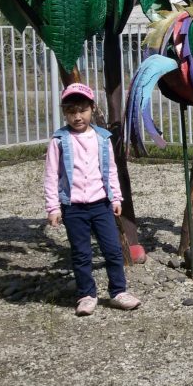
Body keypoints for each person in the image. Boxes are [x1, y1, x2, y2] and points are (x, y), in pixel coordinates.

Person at [44, 83, 141, 316]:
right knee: (81, 253)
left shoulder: (101, 138)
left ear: (92, 109)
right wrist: (53, 207)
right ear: (65, 113)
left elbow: (110, 170)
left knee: (113, 249)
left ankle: (118, 291)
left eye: (83, 110)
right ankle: (86, 295)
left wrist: (116, 198)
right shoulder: (59, 140)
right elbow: (51, 175)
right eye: (71, 112)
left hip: (101, 205)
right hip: (73, 207)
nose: (77, 117)